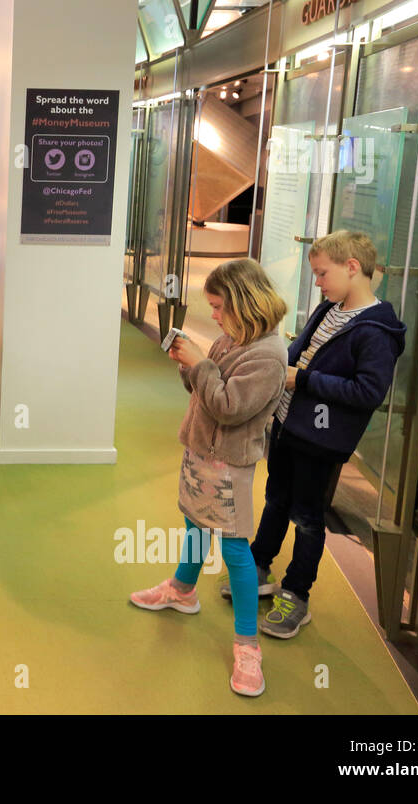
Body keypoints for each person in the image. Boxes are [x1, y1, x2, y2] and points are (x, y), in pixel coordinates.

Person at [129, 258, 288, 697]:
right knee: (195, 525)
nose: (214, 315)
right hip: (200, 454)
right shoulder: (230, 338)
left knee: (235, 550)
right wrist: (189, 365)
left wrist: (201, 364)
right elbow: (203, 390)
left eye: (219, 307)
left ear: (243, 303)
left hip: (229, 466)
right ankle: (182, 590)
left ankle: (247, 645)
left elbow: (227, 407)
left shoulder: (269, 357)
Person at [245, 230, 405, 639]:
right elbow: (299, 350)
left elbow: (367, 392)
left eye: (322, 273)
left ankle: (296, 594)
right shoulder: (328, 308)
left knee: (307, 517)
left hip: (319, 439)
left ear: (352, 267)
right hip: (287, 425)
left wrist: (302, 380)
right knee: (276, 499)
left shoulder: (377, 331)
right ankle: (258, 566)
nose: (317, 282)